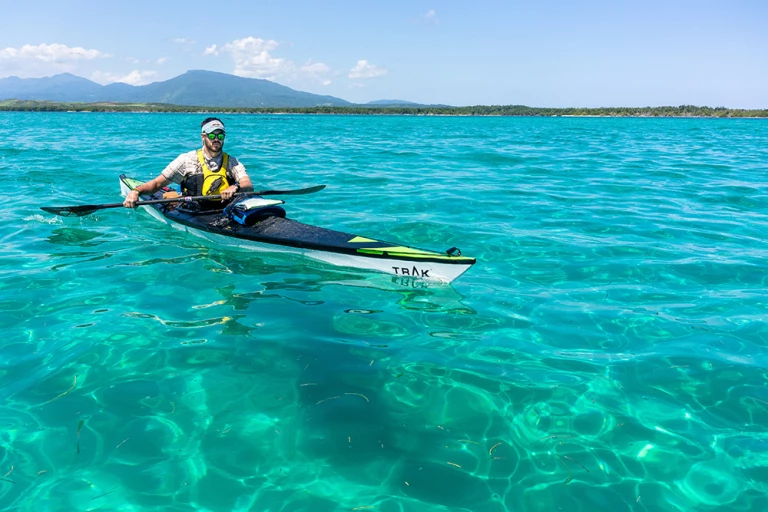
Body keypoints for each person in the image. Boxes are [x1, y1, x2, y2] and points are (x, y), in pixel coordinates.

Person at [123, 117, 254, 209]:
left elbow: (247, 185)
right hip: (194, 211)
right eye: (212, 135)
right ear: (203, 136)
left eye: (220, 136)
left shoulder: (232, 162)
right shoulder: (187, 160)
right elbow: (157, 183)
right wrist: (136, 191)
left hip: (224, 210)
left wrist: (235, 187)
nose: (216, 140)